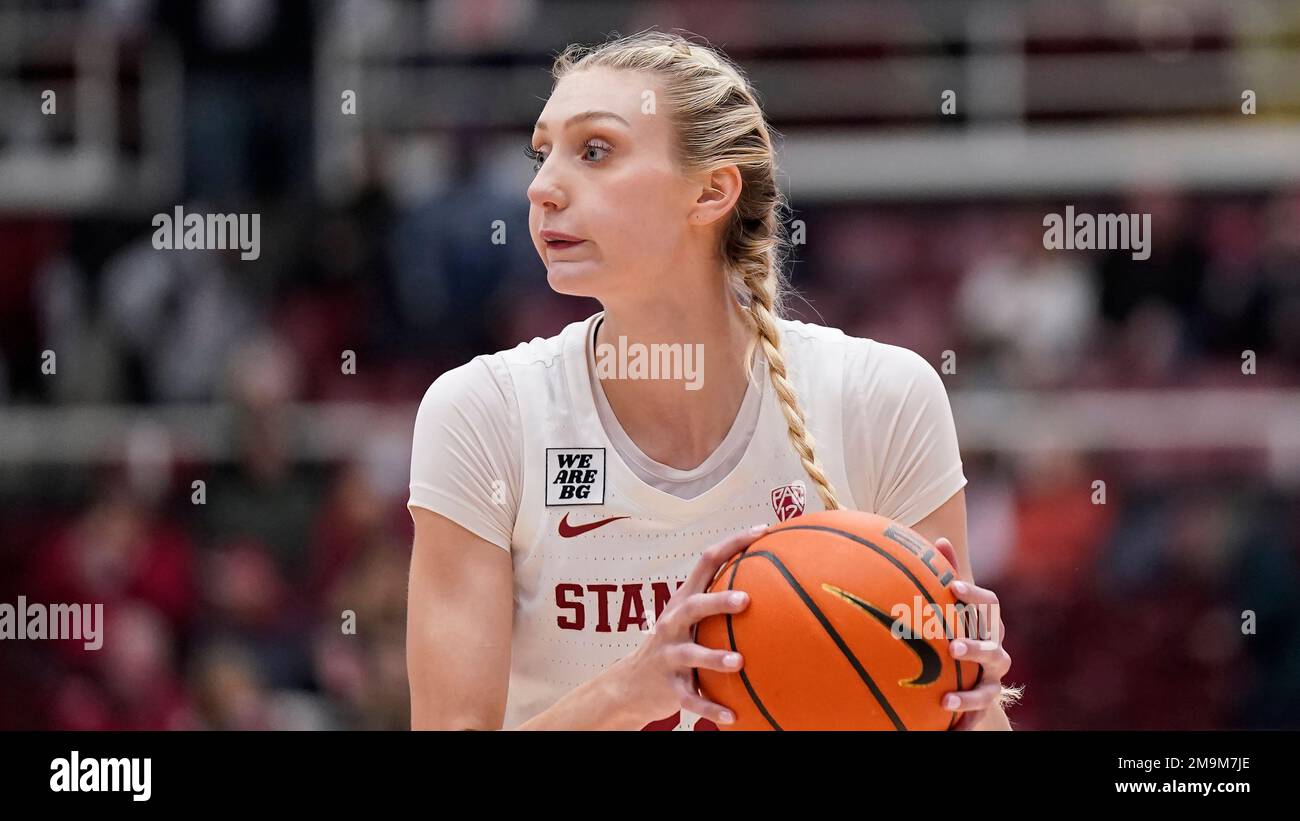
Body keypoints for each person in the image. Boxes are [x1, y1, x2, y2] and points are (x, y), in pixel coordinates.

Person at [406, 30, 1015, 730]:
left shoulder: (881, 398)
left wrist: (964, 694)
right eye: (541, 155)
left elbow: (966, 716)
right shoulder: (484, 414)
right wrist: (628, 689)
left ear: (712, 190)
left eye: (594, 151)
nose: (541, 189)